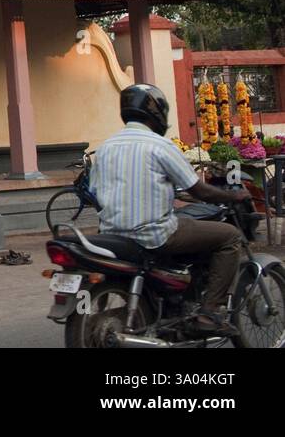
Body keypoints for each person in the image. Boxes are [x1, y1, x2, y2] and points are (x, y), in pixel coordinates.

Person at [91, 83, 248, 333]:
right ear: (157, 112)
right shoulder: (160, 146)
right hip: (154, 235)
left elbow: (96, 193)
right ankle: (209, 313)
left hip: (112, 235)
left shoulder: (105, 148)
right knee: (229, 237)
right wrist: (233, 195)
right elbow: (200, 190)